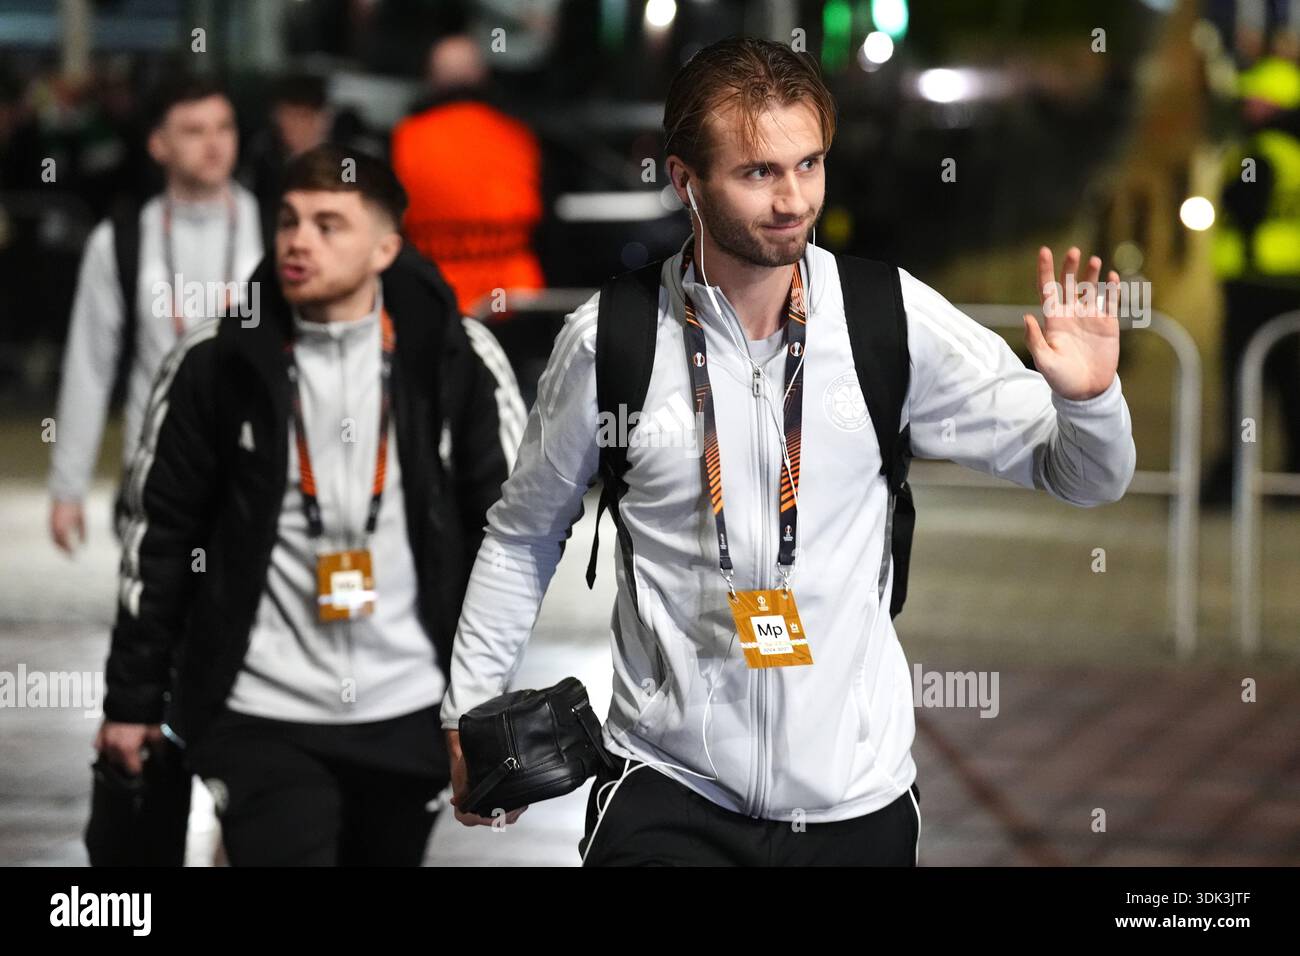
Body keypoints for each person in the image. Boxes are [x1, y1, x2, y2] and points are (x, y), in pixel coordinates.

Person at [439, 37, 1136, 866]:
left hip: (855, 807)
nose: (793, 199)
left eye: (809, 164)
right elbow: (523, 536)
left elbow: (1087, 479)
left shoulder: (888, 319)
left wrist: (1088, 399)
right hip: (668, 793)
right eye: (759, 172)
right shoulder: (612, 340)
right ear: (685, 181)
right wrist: (467, 713)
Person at [94, 144, 525, 866]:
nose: (299, 241)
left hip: (409, 710)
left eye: (330, 225)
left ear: (386, 246)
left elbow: (510, 538)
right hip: (262, 712)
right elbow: (159, 539)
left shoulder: (456, 359)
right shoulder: (216, 361)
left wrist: (486, 705)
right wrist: (132, 701)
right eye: (290, 221)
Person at [49, 75, 263, 553]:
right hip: (155, 480)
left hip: (258, 478)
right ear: (158, 144)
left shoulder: (275, 231)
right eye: (193, 130)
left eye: (224, 128)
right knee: (152, 625)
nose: (214, 144)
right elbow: (88, 368)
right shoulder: (121, 243)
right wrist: (68, 488)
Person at [391, 34, 544, 315]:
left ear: (431, 79)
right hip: (516, 306)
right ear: (482, 76)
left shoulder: (404, 139)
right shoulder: (519, 136)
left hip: (434, 302)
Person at [1204, 54, 1300, 505]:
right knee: (1292, 385)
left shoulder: (1259, 151)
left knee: (1244, 383)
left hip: (1254, 285)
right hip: (1292, 285)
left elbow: (1244, 207)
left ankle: (1235, 478)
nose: (1248, 105)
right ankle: (1292, 479)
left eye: (1257, 97)